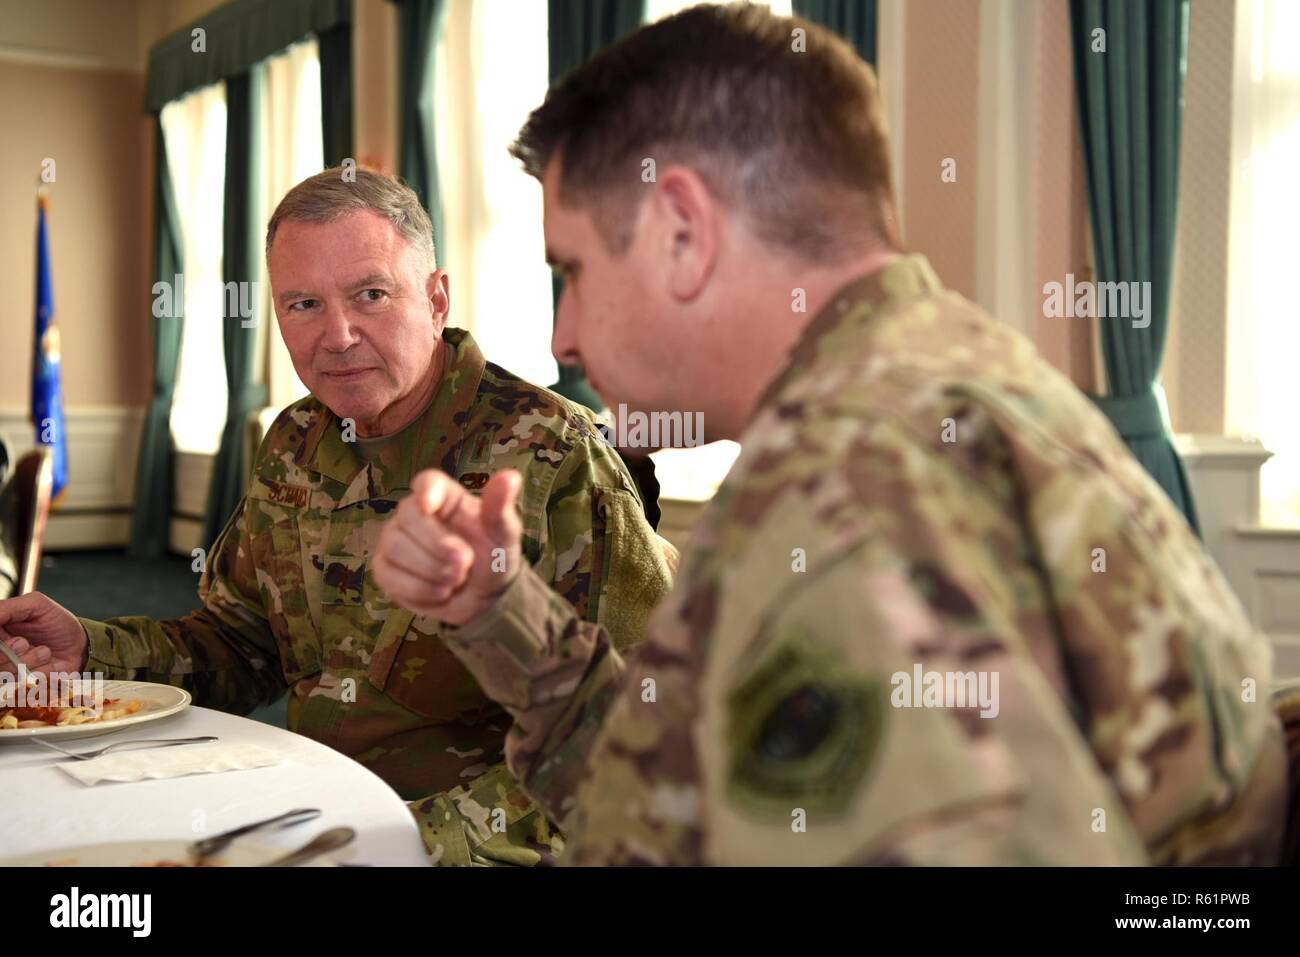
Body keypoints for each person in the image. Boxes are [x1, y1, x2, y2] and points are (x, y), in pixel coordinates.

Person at [373, 3, 1293, 865]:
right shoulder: (922, 381)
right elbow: (677, 788)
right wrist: (498, 607)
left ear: (682, 232)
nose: (561, 336)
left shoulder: (849, 489)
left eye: (572, 270)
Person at [0, 168, 674, 866]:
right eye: (302, 304)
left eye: (370, 295)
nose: (338, 335)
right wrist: (91, 648)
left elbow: (637, 741)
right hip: (312, 807)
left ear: (436, 298)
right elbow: (243, 642)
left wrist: (397, 841)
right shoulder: (295, 440)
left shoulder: (554, 457)